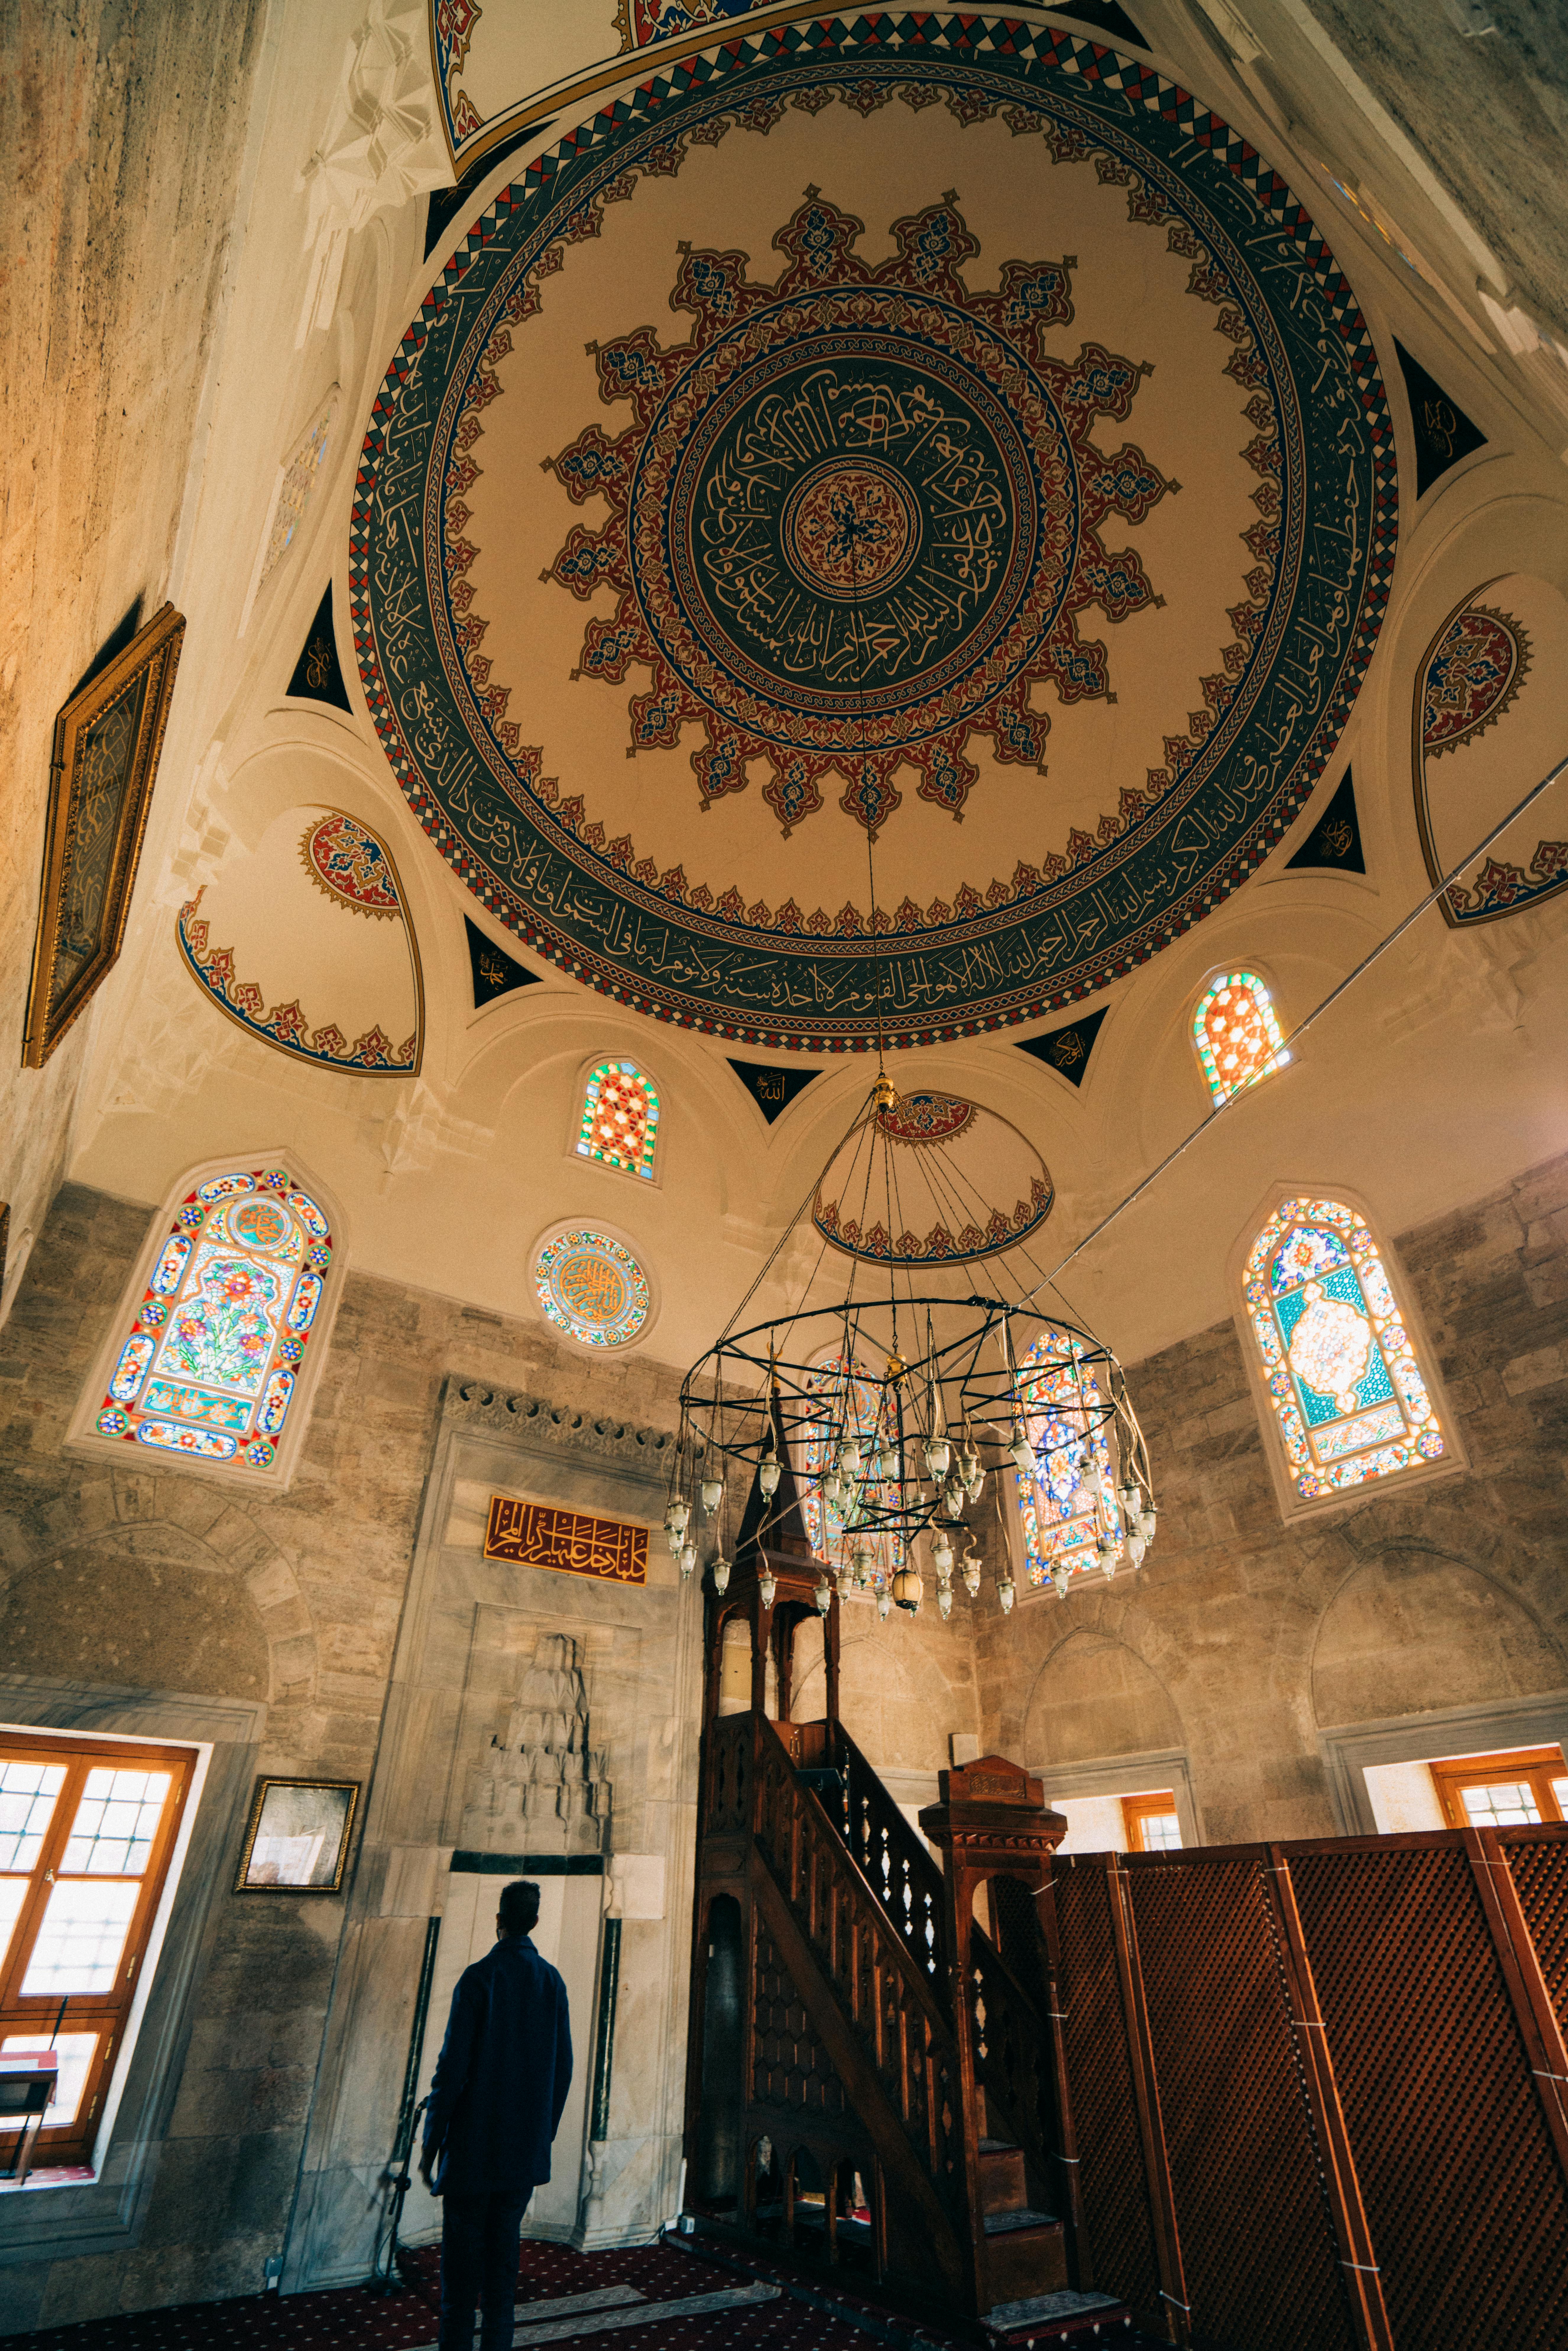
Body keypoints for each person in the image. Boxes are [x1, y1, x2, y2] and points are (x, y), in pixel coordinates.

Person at [420, 1879, 573, 2351]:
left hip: (472, 2152)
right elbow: (563, 2072)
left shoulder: (479, 1978)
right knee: (502, 2280)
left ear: (499, 1920)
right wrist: (541, 2136)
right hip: (521, 2156)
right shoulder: (551, 1981)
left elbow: (451, 2072)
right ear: (536, 1922)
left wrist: (431, 2144)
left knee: (460, 2285)